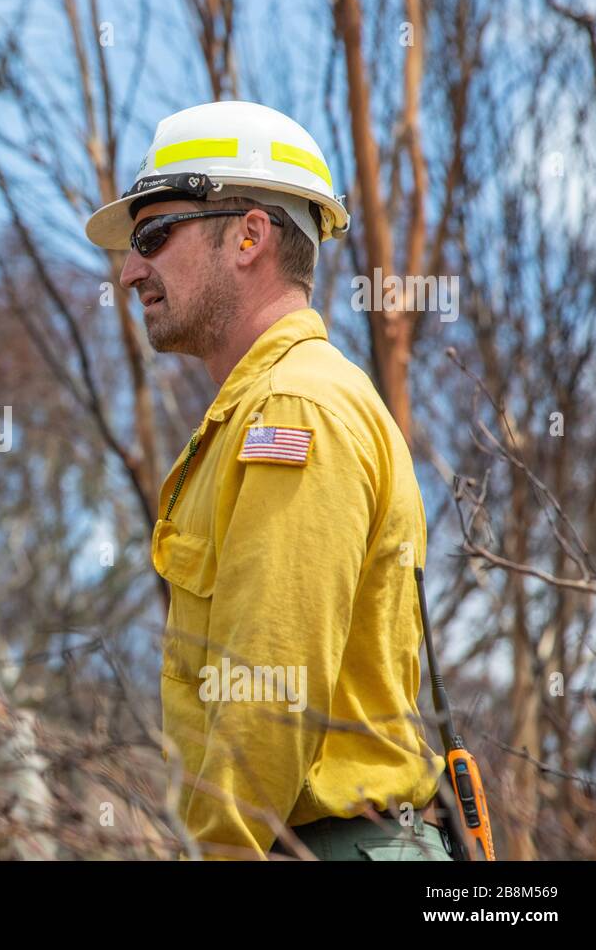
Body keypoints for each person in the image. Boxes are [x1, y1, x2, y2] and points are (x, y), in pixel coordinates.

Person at [85, 101, 448, 860]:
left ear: (249, 235)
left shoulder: (293, 410)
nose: (128, 271)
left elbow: (268, 690)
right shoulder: (259, 409)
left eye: (153, 235)